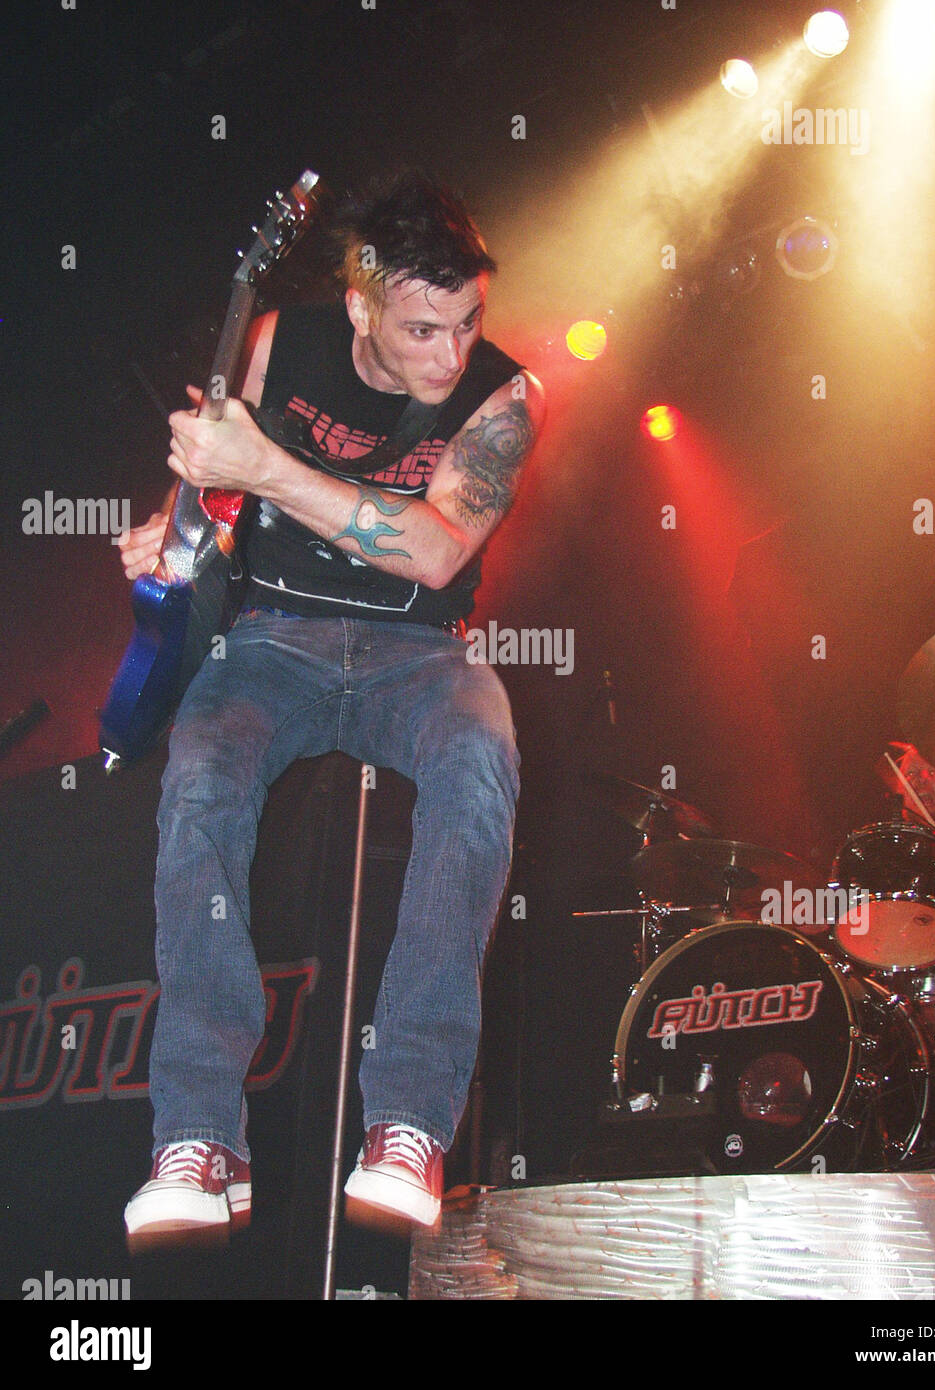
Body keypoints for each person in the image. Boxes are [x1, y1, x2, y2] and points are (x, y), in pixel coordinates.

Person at [117, 172, 544, 1249]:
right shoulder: (277, 341)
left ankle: (405, 1122)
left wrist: (268, 468)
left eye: (464, 323)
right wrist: (172, 532)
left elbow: (439, 548)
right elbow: (216, 490)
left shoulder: (505, 397)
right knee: (199, 775)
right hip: (272, 636)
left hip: (417, 650)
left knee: (478, 753)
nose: (446, 356)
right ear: (359, 308)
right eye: (418, 329)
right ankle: (198, 1136)